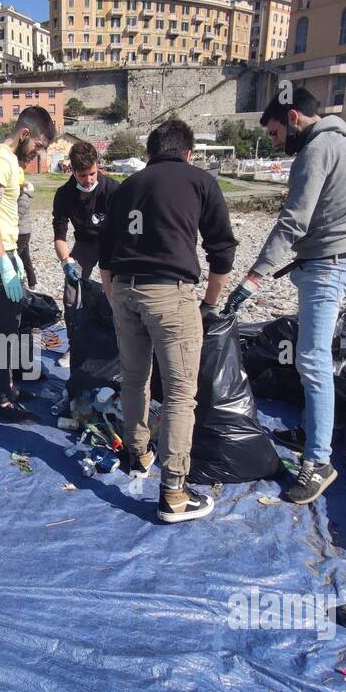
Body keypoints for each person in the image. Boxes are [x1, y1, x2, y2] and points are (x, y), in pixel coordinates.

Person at [223, 87, 346, 505]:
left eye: (274, 133)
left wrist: (253, 278)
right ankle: (313, 432)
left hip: (325, 269)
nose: (274, 142)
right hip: (339, 264)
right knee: (314, 356)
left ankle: (319, 463)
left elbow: (293, 221)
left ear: (293, 118)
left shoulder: (315, 150)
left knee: (312, 362)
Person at [100, 118, 237, 523]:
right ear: (188, 152)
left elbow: (106, 259)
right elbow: (222, 251)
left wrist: (116, 300)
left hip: (125, 290)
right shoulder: (200, 181)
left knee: (134, 376)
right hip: (169, 293)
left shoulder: (126, 187)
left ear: (149, 153)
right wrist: (209, 305)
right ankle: (174, 493)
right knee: (179, 394)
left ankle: (138, 455)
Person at [0, 105, 55, 424]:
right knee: (4, 329)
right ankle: (2, 402)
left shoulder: (9, 162)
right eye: (39, 145)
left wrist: (14, 257)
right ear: (24, 134)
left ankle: (11, 386)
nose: (38, 152)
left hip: (4, 253)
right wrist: (4, 264)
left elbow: (3, 215)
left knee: (14, 324)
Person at [53, 140, 116, 283]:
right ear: (73, 171)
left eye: (92, 173)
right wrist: (66, 261)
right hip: (85, 241)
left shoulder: (113, 190)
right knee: (73, 284)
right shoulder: (64, 194)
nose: (88, 180)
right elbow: (59, 235)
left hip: (112, 241)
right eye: (82, 175)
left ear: (97, 165)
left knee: (117, 284)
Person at [15, 175, 38, 287]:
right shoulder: (20, 197)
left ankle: (19, 283)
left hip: (22, 233)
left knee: (14, 259)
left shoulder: (23, 199)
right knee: (26, 259)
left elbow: (16, 216)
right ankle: (32, 283)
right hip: (23, 232)